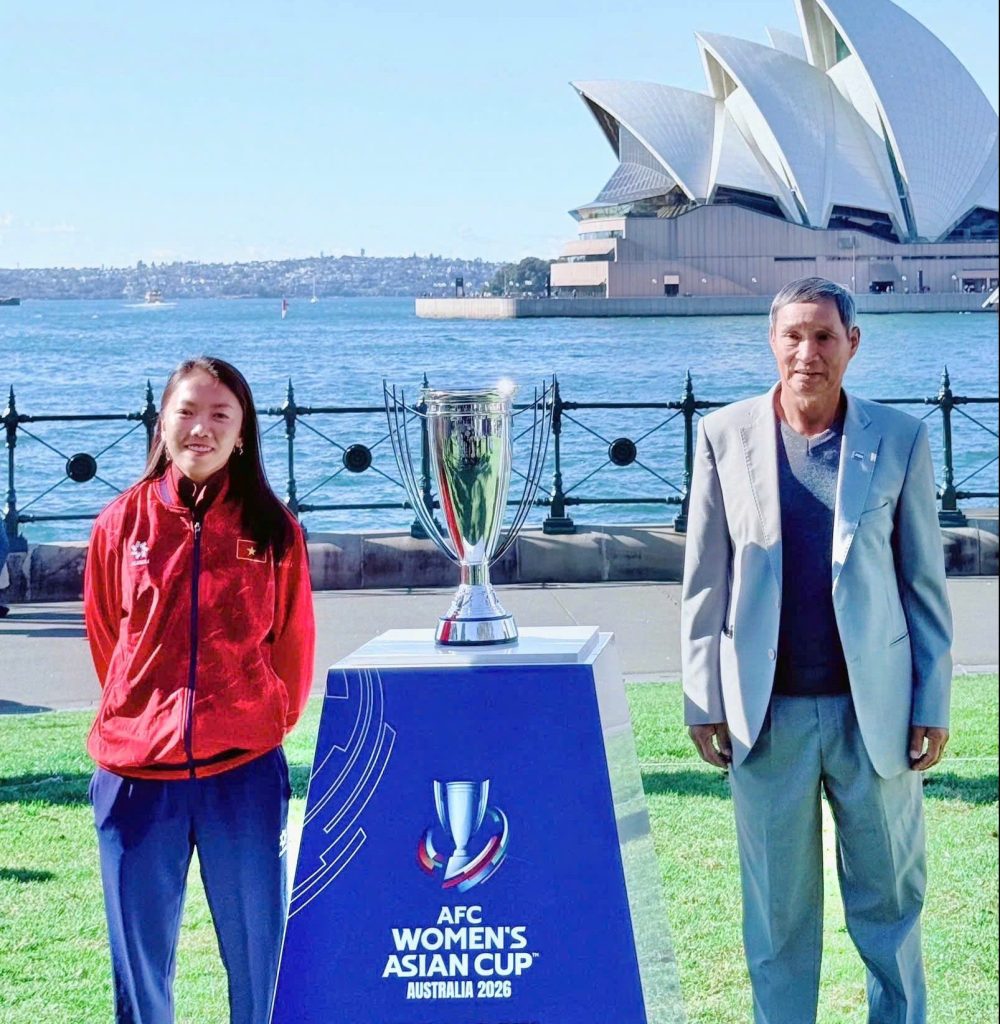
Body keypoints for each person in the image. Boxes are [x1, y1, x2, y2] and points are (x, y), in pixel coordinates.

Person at [681, 277, 952, 1024]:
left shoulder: (899, 439)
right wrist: (702, 696)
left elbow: (922, 583)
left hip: (876, 718)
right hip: (765, 720)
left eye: (825, 336)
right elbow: (705, 579)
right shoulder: (724, 435)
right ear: (772, 341)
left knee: (891, 907)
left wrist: (931, 700)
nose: (808, 352)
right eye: (794, 335)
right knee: (777, 921)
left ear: (852, 345)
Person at [84, 356, 316, 1024]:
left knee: (258, 965)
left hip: (240, 774)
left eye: (221, 416)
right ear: (162, 420)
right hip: (135, 780)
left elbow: (292, 646)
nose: (201, 430)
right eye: (187, 411)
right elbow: (108, 637)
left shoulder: (272, 529)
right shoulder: (119, 524)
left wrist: (256, 719)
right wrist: (144, 717)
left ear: (242, 434)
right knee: (140, 974)